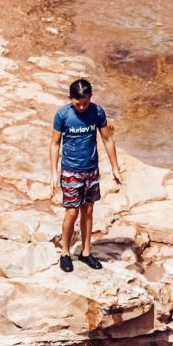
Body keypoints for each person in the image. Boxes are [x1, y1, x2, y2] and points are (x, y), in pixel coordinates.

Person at [50, 78, 121, 272]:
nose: (82, 107)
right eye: (77, 103)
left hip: (91, 170)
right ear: (70, 98)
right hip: (70, 170)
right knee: (71, 212)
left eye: (85, 103)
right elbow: (55, 143)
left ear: (91, 97)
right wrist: (54, 172)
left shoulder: (97, 112)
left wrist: (115, 168)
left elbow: (107, 139)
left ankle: (86, 251)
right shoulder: (63, 115)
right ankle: (65, 252)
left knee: (88, 211)